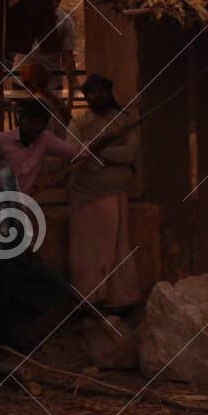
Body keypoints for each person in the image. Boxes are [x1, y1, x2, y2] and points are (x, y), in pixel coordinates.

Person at [0, 125, 75, 351]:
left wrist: (24, 238)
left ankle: (15, 336)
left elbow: (15, 203)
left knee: (41, 283)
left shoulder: (5, 170)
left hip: (8, 239)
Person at [67, 74, 142, 309]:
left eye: (101, 90)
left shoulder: (124, 121)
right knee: (88, 249)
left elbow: (129, 154)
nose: (97, 96)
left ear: (110, 92)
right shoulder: (80, 122)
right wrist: (94, 153)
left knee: (116, 247)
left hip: (115, 192)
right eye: (92, 92)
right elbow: (73, 152)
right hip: (85, 195)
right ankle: (90, 298)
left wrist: (98, 152)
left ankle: (120, 298)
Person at [0, 100, 80, 196]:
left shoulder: (44, 138)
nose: (34, 127)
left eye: (39, 123)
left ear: (45, 125)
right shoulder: (2, 141)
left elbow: (73, 150)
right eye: (29, 121)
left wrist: (93, 145)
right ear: (20, 120)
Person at [20, 0, 77, 109]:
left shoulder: (66, 22)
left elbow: (68, 58)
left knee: (50, 118)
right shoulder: (24, 14)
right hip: (22, 79)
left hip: (52, 82)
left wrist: (71, 94)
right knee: (26, 118)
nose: (54, 4)